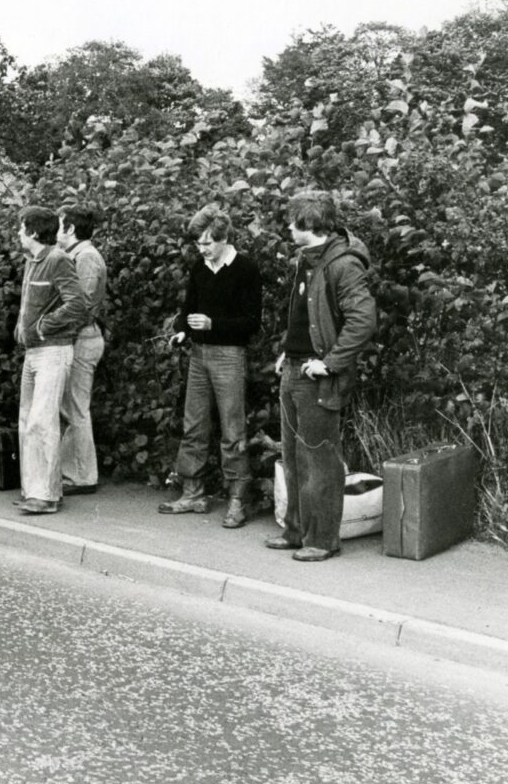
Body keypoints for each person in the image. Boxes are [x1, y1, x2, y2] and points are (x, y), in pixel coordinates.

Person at [266, 193, 377, 562]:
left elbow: (363, 321)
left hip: (317, 377)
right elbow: (306, 316)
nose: (288, 227)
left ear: (310, 225)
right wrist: (288, 350)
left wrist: (330, 364)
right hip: (294, 368)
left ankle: (322, 540)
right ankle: (296, 531)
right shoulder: (307, 259)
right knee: (293, 457)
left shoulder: (343, 264)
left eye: (293, 222)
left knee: (320, 460)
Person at [159, 203, 264, 527]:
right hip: (199, 355)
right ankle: (192, 493)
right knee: (194, 426)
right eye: (198, 243)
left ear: (223, 238)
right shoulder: (200, 268)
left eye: (207, 243)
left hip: (230, 356)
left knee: (233, 429)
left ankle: (237, 500)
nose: (202, 249)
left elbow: (252, 322)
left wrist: (212, 324)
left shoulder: (246, 269)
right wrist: (181, 331)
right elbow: (188, 309)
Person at [12, 206, 89, 516]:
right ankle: (34, 490)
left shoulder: (58, 259)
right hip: (33, 352)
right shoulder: (32, 260)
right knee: (27, 421)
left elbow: (77, 305)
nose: (18, 233)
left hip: (53, 351)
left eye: (21, 228)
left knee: (43, 422)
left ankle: (46, 495)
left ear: (33, 232)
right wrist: (23, 326)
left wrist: (43, 326)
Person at [56, 205, 108, 497]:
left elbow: (83, 306)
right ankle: (75, 472)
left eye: (59, 224)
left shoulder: (86, 257)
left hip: (82, 339)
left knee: (75, 407)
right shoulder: (77, 254)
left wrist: (60, 334)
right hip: (79, 337)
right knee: (71, 406)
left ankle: (82, 475)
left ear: (71, 229)